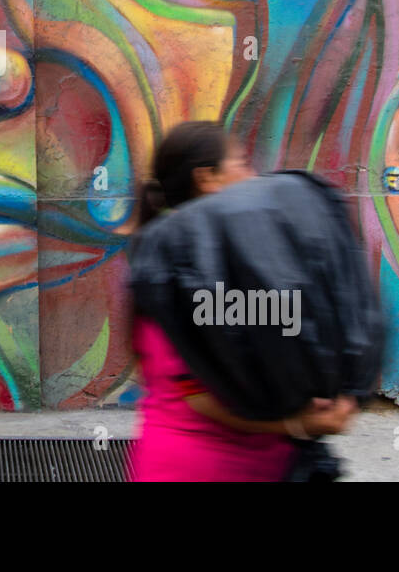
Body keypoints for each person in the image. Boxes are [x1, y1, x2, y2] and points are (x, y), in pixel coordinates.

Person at [128, 121, 359, 482]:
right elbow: (200, 395)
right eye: (242, 162)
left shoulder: (223, 258)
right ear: (208, 178)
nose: (254, 175)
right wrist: (299, 423)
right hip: (197, 469)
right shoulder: (181, 266)